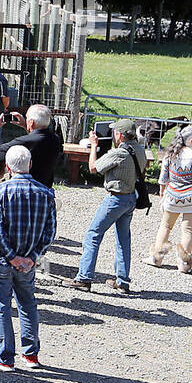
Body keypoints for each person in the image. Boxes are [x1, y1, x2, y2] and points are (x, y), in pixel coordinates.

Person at [0, 145, 56, 371]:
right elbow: (50, 232)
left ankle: (6, 357)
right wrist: (32, 257)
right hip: (28, 261)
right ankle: (31, 354)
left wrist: (12, 257)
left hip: (1, 260)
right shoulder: (46, 193)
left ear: (7, 166)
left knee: (1, 307)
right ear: (30, 164)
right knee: (28, 304)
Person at [68, 119, 148, 294]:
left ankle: (84, 278)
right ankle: (122, 281)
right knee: (123, 240)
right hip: (131, 198)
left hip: (116, 199)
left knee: (93, 235)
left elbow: (93, 168)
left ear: (119, 135)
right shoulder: (140, 150)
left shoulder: (119, 153)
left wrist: (94, 146)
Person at [146, 125, 192, 273]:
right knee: (188, 230)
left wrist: (162, 194)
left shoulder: (170, 155)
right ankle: (184, 263)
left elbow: (163, 179)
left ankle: (156, 258)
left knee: (166, 226)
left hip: (172, 197)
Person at [0, 104, 62, 189]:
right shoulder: (55, 139)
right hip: (45, 189)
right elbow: (37, 138)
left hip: (24, 189)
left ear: (31, 122)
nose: (26, 119)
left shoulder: (25, 141)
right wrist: (26, 126)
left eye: (27, 118)